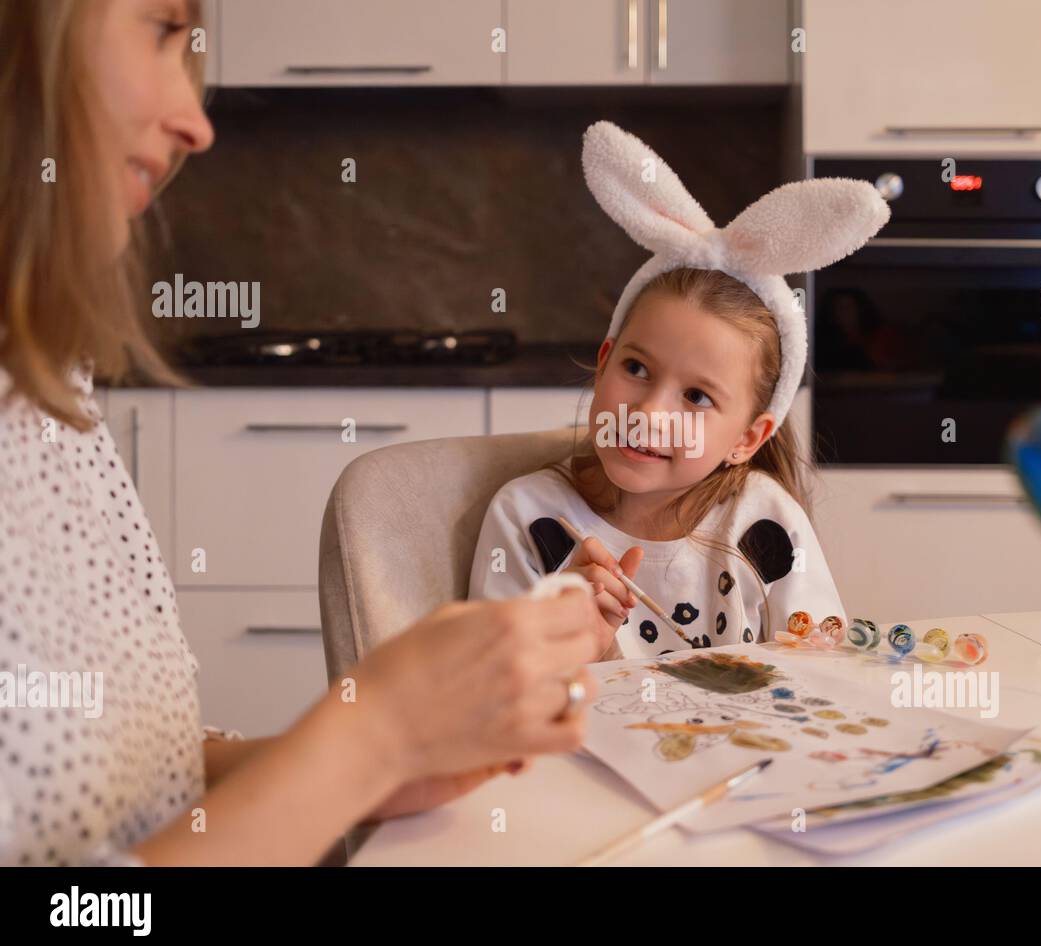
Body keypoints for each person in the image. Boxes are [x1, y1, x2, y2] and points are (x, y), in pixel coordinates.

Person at [0, 0, 602, 867]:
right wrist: (373, 736)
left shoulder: (53, 387)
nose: (196, 125)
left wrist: (358, 776)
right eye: (164, 27)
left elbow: (125, 787)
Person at [468, 121, 891, 659]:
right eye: (637, 369)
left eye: (696, 397)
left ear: (748, 437)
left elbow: (824, 674)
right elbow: (488, 702)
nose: (649, 411)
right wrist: (570, 645)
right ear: (604, 363)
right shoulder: (526, 516)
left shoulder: (765, 520)